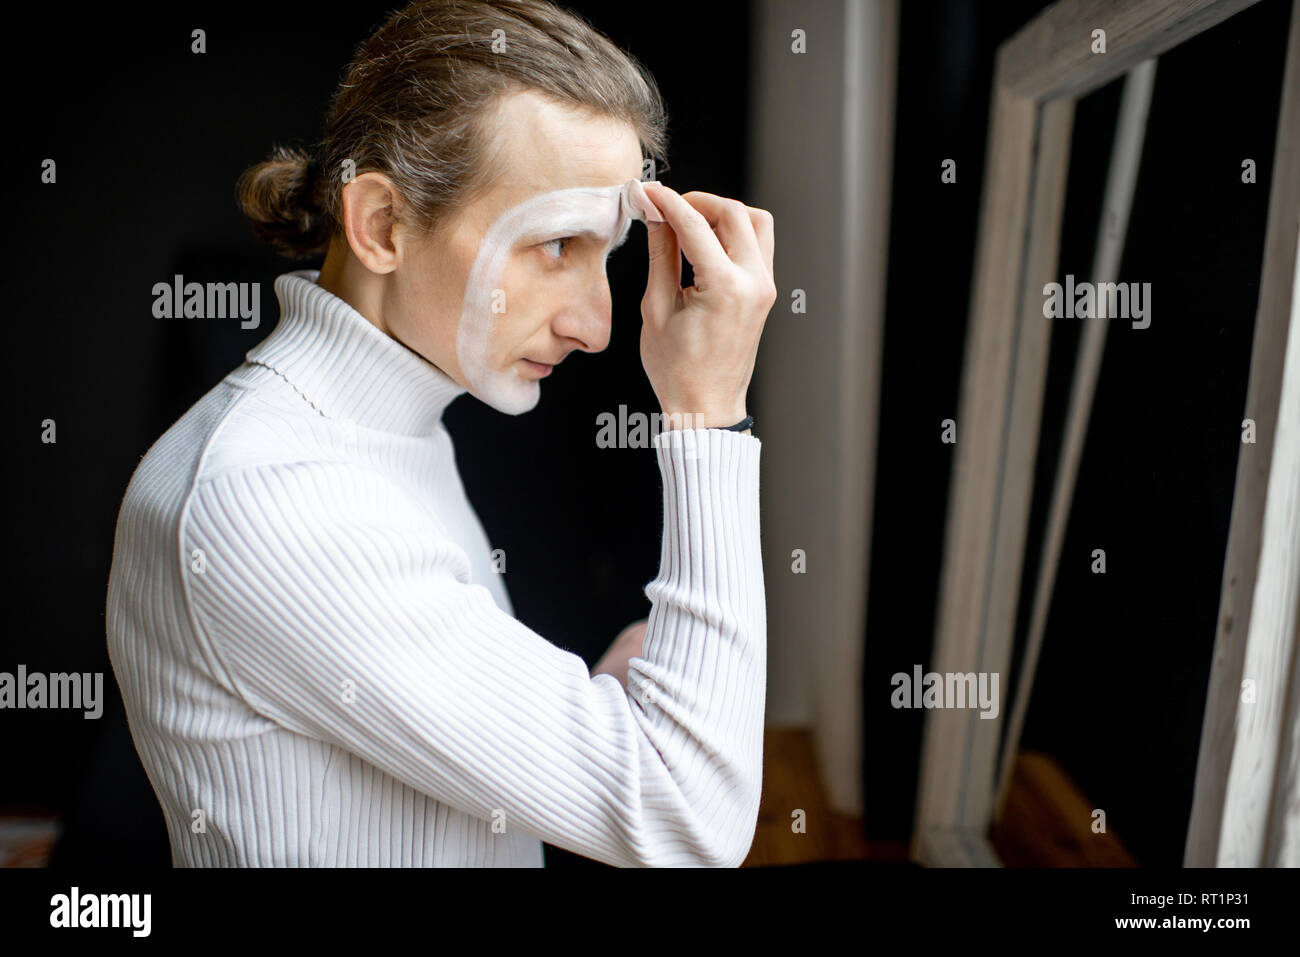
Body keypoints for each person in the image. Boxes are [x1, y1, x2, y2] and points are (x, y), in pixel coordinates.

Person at [105, 0, 775, 867]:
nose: (597, 327)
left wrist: (613, 707)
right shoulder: (274, 496)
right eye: (554, 244)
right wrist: (708, 417)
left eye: (602, 254)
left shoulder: (381, 429)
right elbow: (687, 819)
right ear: (382, 223)